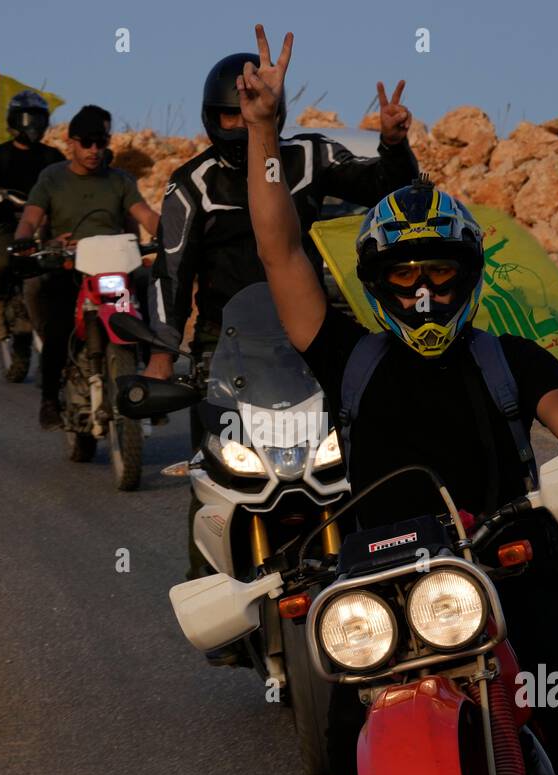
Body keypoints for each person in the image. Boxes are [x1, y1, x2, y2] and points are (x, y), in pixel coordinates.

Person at [238, 24, 558, 775]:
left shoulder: (506, 356)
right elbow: (278, 246)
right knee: (348, 725)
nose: (423, 294)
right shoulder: (346, 353)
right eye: (403, 278)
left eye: (441, 276)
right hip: (383, 580)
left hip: (505, 565)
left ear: (469, 275)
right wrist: (264, 135)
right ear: (378, 284)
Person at [145, 50, 420, 581]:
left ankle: (375, 569)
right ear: (212, 116)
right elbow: (172, 276)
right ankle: (211, 584)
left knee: (344, 461)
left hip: (305, 338)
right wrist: (162, 360)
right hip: (224, 351)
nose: (239, 121)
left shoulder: (309, 157)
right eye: (230, 113)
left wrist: (392, 143)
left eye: (248, 107)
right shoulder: (191, 184)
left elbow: (388, 188)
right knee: (216, 474)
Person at [14, 105, 160, 430]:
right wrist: (26, 240)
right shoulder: (52, 178)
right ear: (72, 142)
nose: (95, 150)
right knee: (57, 327)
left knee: (150, 297)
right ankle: (49, 399)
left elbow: (145, 215)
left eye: (101, 142)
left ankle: (154, 381)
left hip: (115, 268)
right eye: (87, 143)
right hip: (69, 267)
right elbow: (30, 217)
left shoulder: (120, 180)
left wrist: (171, 233)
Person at [0, 90, 65, 345]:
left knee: (63, 264)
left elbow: (68, 177)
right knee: (2, 262)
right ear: (15, 120)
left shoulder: (52, 156)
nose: (33, 126)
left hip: (45, 222)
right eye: (28, 119)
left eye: (38, 119)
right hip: (7, 219)